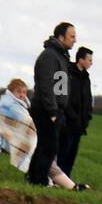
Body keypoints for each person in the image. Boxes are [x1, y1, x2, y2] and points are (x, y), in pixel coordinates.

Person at [7, 79, 88, 190]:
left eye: (24, 92)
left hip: (31, 138)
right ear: (11, 92)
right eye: (18, 92)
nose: (22, 95)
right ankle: (71, 186)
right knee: (48, 155)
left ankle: (57, 183)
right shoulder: (10, 105)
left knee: (50, 155)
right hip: (22, 141)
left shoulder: (24, 104)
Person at [26, 22, 75, 186]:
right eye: (72, 36)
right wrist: (53, 111)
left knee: (47, 147)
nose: (75, 40)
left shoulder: (61, 56)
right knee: (47, 147)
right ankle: (38, 181)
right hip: (46, 110)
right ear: (61, 37)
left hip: (56, 110)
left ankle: (34, 179)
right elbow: (46, 85)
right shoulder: (49, 56)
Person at [57, 46, 93, 180]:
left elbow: (88, 99)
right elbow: (66, 99)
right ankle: (57, 180)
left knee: (72, 155)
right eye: (89, 59)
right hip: (68, 123)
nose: (91, 63)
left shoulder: (86, 78)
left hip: (80, 126)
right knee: (62, 153)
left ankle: (66, 180)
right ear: (81, 59)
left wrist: (87, 118)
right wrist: (72, 117)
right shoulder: (68, 73)